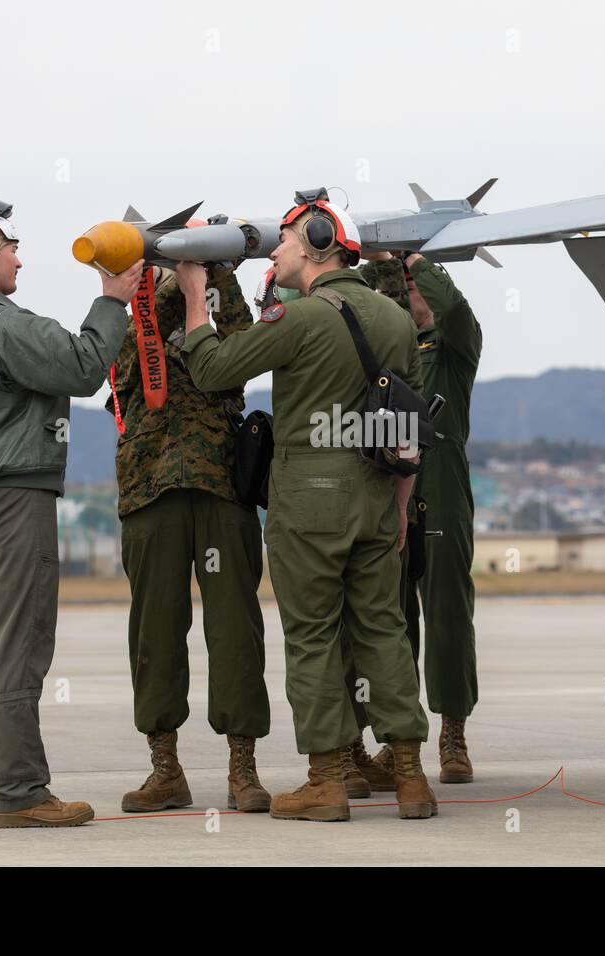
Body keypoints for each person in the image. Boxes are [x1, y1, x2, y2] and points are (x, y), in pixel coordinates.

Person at [179, 192, 436, 822]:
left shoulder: (299, 319)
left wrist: (193, 295)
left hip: (309, 502)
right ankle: (410, 777)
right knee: (384, 629)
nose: (279, 249)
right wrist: (399, 506)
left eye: (287, 239)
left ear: (318, 242)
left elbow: (212, 367)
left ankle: (325, 780)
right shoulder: (395, 320)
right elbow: (406, 427)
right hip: (378, 499)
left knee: (314, 634)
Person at [0, 194, 142, 827]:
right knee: (20, 645)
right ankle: (20, 793)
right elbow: (83, 365)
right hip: (17, 503)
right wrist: (113, 298)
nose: (20, 255)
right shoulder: (2, 324)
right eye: (10, 245)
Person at [107, 251, 271, 815]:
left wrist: (197, 282)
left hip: (221, 479)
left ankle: (242, 766)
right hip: (149, 481)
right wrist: (136, 293)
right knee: (154, 631)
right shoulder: (129, 302)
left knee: (234, 627)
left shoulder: (219, 286)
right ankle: (165, 768)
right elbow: (115, 372)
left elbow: (236, 361)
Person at [350, 251, 482, 786]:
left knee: (448, 611)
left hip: (441, 485)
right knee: (390, 618)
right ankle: (396, 741)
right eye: (405, 288)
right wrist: (377, 264)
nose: (414, 295)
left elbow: (453, 308)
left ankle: (454, 733)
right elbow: (354, 299)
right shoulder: (391, 351)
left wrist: (416, 258)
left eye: (417, 287)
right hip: (389, 483)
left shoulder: (455, 348)